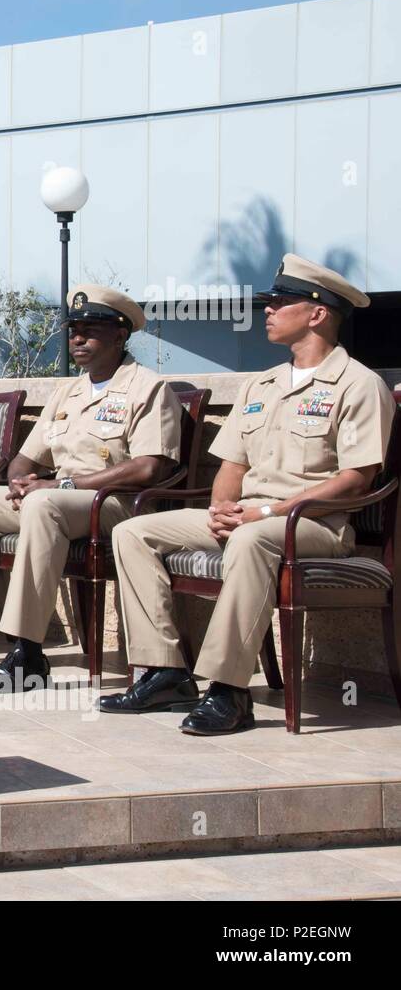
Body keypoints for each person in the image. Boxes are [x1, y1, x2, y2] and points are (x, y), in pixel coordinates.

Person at [103, 254, 393, 734]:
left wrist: (264, 512)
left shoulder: (359, 385)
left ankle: (228, 690)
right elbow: (232, 464)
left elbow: (356, 479)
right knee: (134, 532)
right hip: (247, 516)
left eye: (281, 302)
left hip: (313, 525)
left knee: (252, 540)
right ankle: (166, 672)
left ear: (318, 313)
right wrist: (221, 507)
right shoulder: (262, 384)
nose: (268, 311)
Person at [0, 284, 182, 693]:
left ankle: (27, 652)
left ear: (120, 335)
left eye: (91, 329)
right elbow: (27, 459)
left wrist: (60, 484)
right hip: (56, 500)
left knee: (43, 503)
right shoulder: (68, 391)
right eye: (73, 329)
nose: (77, 338)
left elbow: (149, 468)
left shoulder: (148, 388)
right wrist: (19, 481)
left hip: (114, 506)